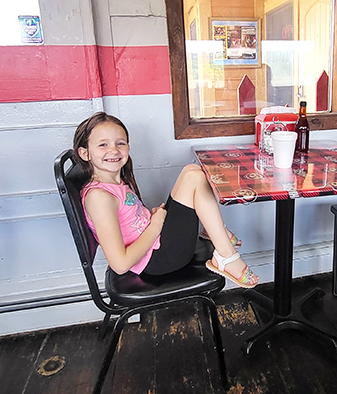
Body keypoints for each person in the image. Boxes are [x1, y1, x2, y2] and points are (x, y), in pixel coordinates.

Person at [72, 112, 259, 288]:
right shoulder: (99, 197)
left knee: (191, 171)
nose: (113, 150)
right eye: (102, 145)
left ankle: (217, 233)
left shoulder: (113, 184)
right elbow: (120, 264)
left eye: (120, 143)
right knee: (194, 178)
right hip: (158, 261)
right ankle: (227, 256)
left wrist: (150, 218)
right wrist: (155, 225)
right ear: (84, 153)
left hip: (157, 242)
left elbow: (129, 223)